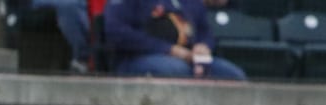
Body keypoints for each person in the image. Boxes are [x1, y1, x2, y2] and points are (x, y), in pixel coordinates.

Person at [101, 0, 246, 80]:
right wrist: (168, 50)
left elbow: (205, 30)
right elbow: (116, 32)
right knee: (177, 70)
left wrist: (203, 45)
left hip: (189, 59)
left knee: (232, 75)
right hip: (137, 58)